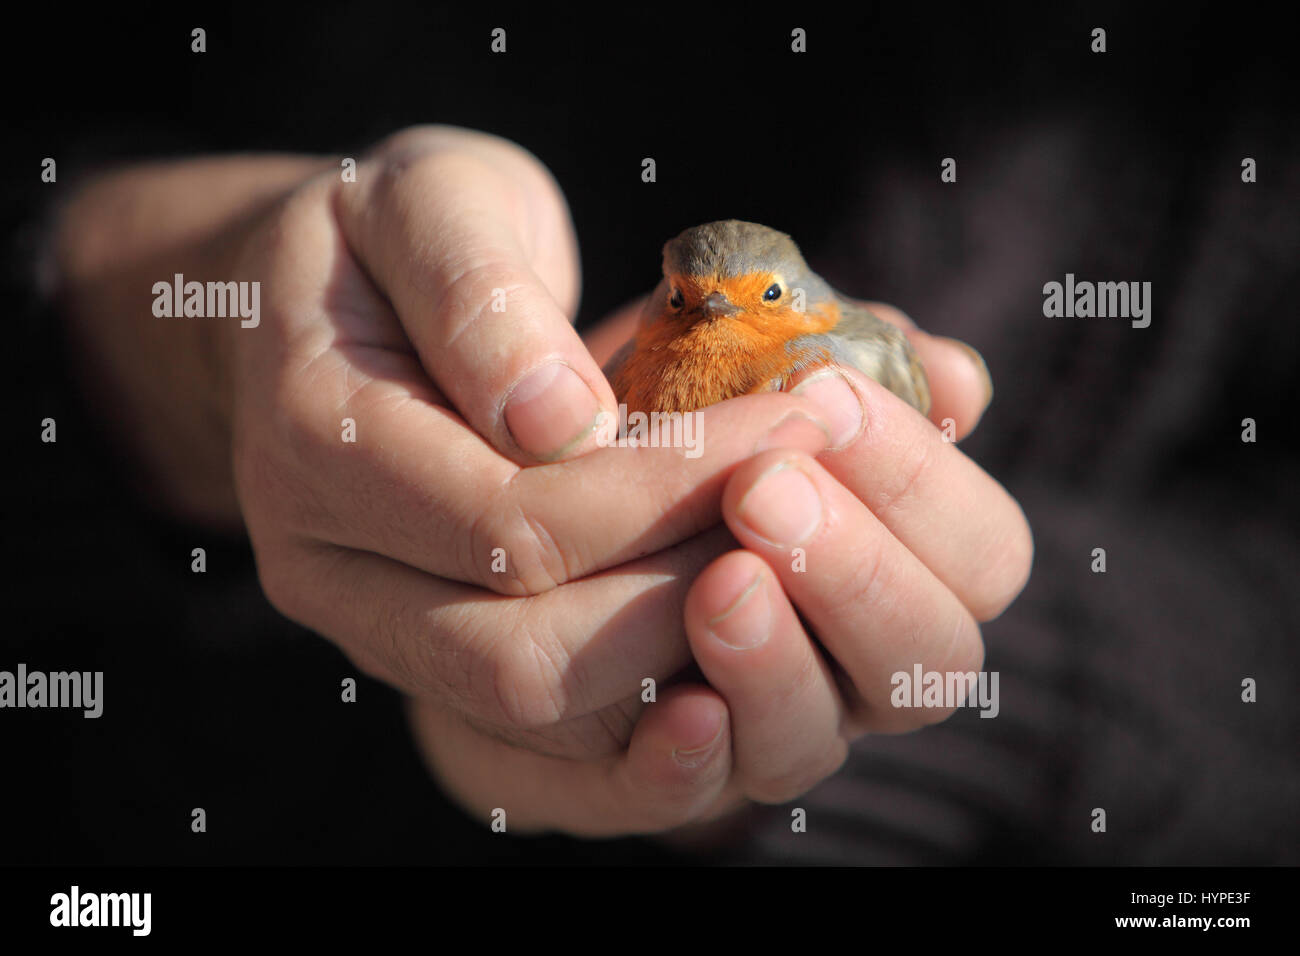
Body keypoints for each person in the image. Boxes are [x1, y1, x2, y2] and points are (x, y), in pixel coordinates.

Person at [49, 124, 1030, 837]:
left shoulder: (835, 361)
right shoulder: (635, 369)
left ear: (797, 298)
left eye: (756, 300)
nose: (708, 320)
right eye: (683, 300)